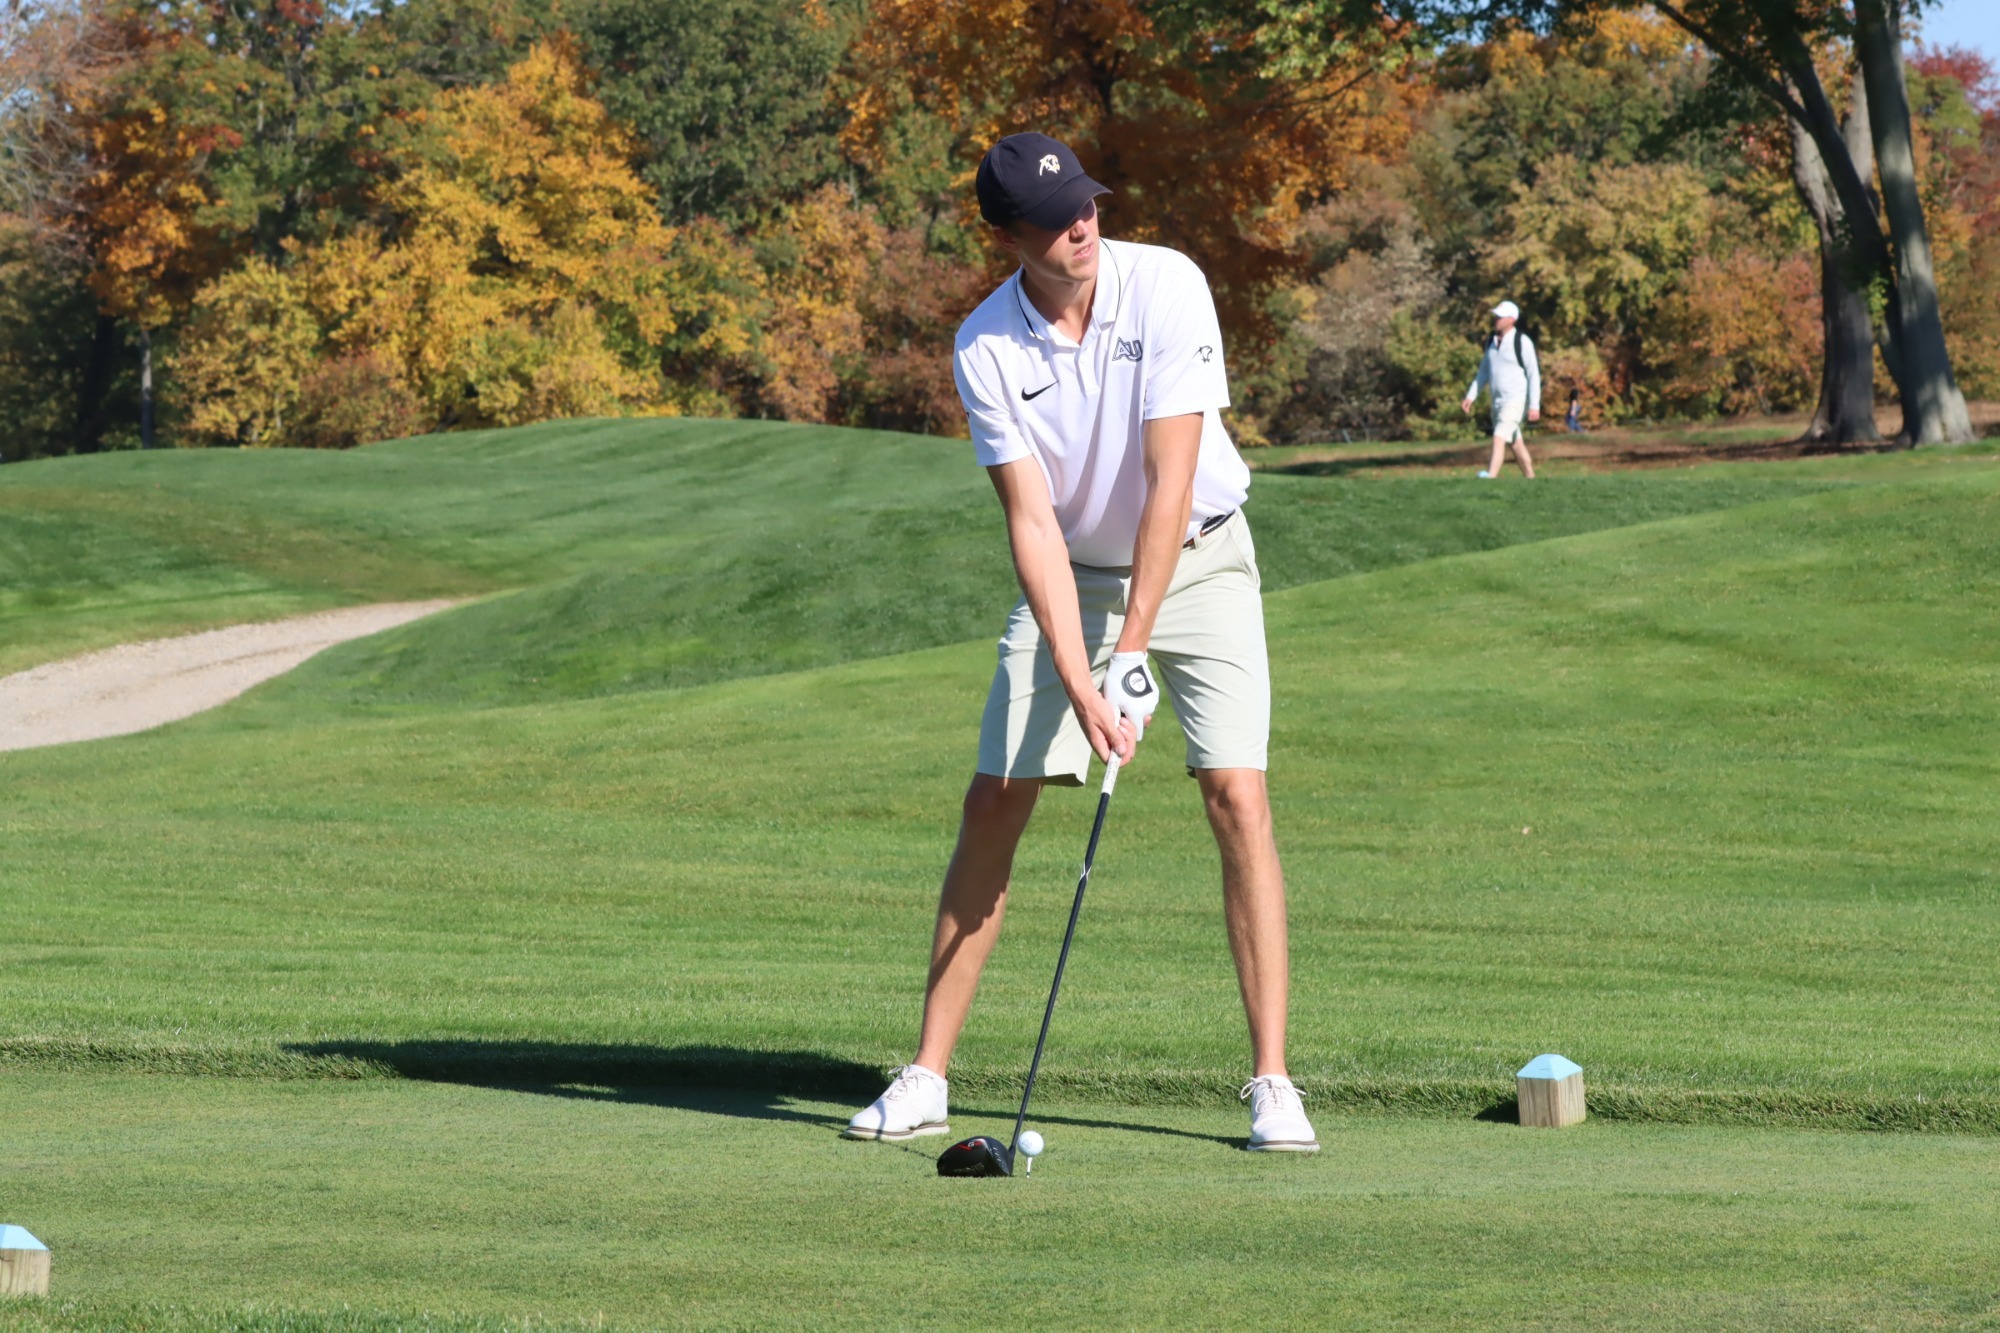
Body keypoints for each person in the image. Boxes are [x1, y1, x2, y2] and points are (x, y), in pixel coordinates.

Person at [842, 132, 1319, 1154]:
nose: (1082, 226)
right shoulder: (984, 345)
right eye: (1058, 221)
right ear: (1009, 237)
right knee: (994, 795)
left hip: (1201, 557)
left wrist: (1131, 650)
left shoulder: (1165, 286)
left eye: (1088, 206)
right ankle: (927, 1074)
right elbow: (1029, 525)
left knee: (1235, 794)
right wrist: (1080, 671)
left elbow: (1170, 478)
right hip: (1075, 580)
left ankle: (1272, 1081)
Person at [1460, 300, 1541, 479]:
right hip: (1497, 402)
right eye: (1496, 315)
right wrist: (1471, 396)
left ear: (1512, 319)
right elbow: (1483, 372)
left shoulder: (1522, 342)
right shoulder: (1491, 342)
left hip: (1514, 402)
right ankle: (1531, 479)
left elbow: (1533, 374)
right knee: (1516, 443)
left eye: (1500, 316)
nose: (1496, 319)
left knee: (1499, 437)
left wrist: (1534, 405)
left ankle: (1491, 476)